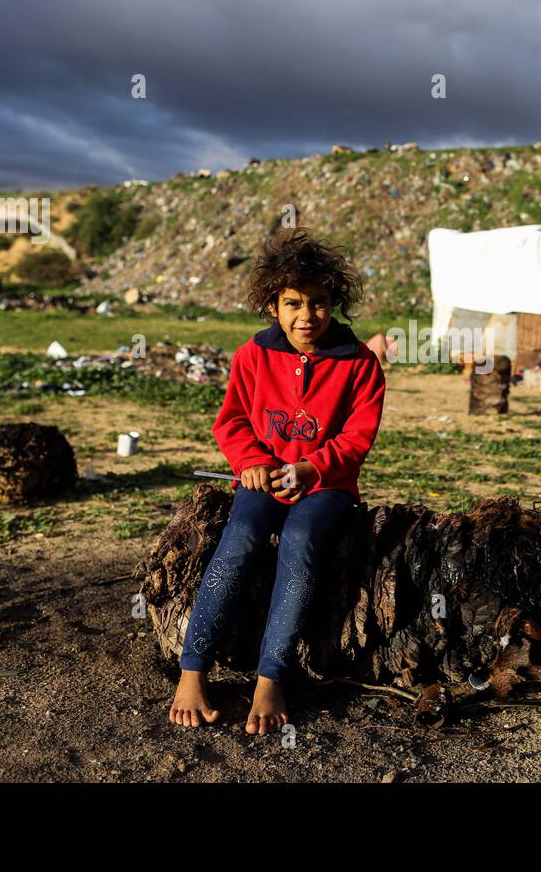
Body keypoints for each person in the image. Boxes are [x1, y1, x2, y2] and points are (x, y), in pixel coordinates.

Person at [169, 228, 386, 734]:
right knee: (240, 538)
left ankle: (271, 678)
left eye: (319, 304)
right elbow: (232, 421)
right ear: (272, 305)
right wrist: (249, 461)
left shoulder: (359, 364)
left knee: (302, 538)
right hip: (263, 481)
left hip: (328, 487)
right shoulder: (252, 356)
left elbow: (358, 436)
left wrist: (313, 467)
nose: (306, 317)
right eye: (293, 303)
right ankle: (192, 670)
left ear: (335, 303)